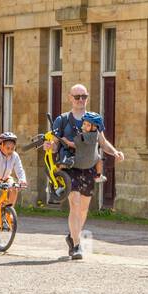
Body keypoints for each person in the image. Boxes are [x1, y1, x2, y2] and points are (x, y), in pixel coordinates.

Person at [51, 84, 124, 260]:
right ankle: (77, 246)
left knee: (83, 208)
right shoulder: (62, 120)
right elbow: (54, 145)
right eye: (77, 97)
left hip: (89, 167)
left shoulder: (94, 119)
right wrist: (49, 146)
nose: (81, 100)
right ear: (70, 98)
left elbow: (102, 142)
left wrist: (115, 152)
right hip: (70, 167)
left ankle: (72, 236)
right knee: (75, 203)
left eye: (84, 96)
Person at [0, 132, 27, 226]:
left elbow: (19, 169)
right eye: (8, 148)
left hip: (6, 178)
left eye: (12, 148)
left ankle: (8, 212)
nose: (10, 150)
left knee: (14, 188)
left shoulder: (15, 156)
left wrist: (22, 180)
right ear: (1, 146)